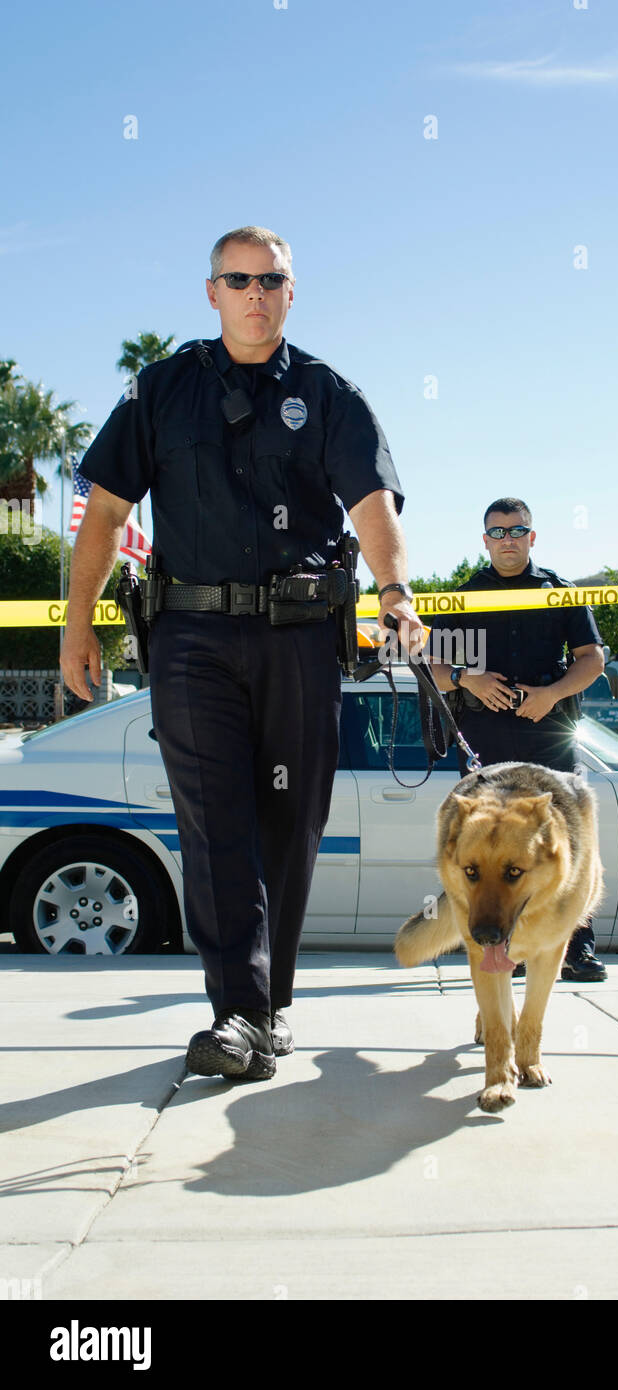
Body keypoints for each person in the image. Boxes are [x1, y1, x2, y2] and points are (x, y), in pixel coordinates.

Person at [60, 225, 424, 1080]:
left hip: (298, 636)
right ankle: (239, 1015)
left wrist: (395, 592)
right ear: (212, 291)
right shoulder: (161, 390)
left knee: (289, 824)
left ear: (292, 293)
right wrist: (79, 623)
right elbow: (107, 512)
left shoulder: (329, 395)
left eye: (271, 279)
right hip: (189, 637)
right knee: (214, 823)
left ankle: (272, 1003)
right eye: (238, 278)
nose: (256, 292)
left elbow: (371, 504)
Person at [426, 497, 608, 982]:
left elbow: (592, 661)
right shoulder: (461, 596)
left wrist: (552, 694)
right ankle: (496, 952)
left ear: (533, 536)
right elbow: (435, 671)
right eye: (498, 532)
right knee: (487, 850)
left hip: (548, 731)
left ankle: (576, 948)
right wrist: (470, 678)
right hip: (485, 738)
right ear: (484, 540)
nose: (507, 539)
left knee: (566, 841)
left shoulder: (561, 593)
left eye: (516, 530)